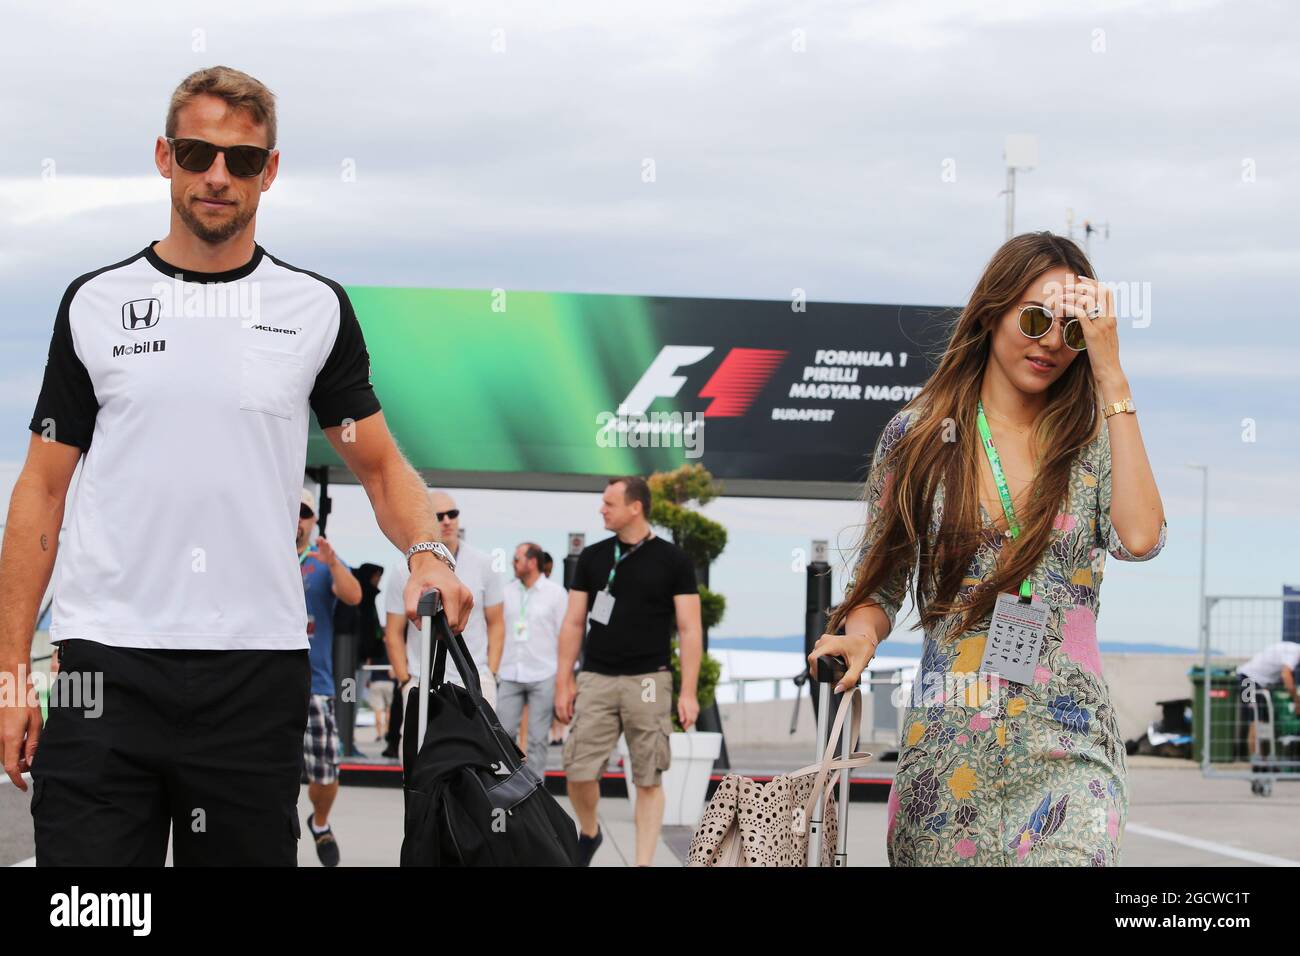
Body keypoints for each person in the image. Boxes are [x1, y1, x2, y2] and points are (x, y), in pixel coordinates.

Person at [0, 65, 472, 866]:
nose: (218, 175)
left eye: (243, 159)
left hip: (255, 674)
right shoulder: (94, 303)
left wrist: (428, 552)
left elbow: (381, 467)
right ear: (165, 157)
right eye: (197, 153)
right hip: (102, 666)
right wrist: (13, 673)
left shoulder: (314, 308)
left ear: (270, 171)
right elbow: (41, 491)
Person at [809, 232, 1167, 867]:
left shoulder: (1093, 441)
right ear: (991, 314)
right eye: (1034, 320)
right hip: (950, 750)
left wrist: (1112, 373)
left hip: (1071, 745)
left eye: (1073, 330)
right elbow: (882, 584)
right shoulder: (919, 436)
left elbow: (1140, 539)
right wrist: (859, 636)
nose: (1051, 343)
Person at [555, 476, 703, 867]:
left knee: (648, 777)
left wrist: (688, 692)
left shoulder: (674, 560)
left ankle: (642, 863)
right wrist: (564, 681)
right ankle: (590, 832)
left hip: (650, 680)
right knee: (578, 770)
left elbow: (690, 629)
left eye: (609, 503)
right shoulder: (592, 557)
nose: (601, 509)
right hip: (596, 677)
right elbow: (573, 622)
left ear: (635, 507)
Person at [384, 492, 504, 720]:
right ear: (426, 521)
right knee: (418, 744)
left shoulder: (484, 564)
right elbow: (393, 632)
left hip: (475, 679)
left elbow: (496, 623)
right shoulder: (402, 570)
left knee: (483, 744)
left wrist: (491, 673)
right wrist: (405, 681)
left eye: (452, 514)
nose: (447, 520)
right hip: (421, 680)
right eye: (439, 516)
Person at [297, 488, 361, 866]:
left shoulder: (322, 561)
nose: (297, 519)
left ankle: (320, 822)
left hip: (315, 685)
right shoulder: (266, 555)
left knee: (324, 773)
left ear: (314, 521)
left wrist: (334, 563)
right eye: (291, 509)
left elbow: (353, 596)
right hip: (262, 683)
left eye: (304, 512)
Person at [497, 543, 568, 777]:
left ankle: (536, 790)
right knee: (503, 733)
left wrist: (565, 679)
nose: (513, 563)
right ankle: (508, 785)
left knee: (538, 739)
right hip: (510, 672)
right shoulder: (506, 592)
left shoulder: (556, 594)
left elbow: (565, 636)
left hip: (544, 674)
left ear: (532, 562)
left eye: (517, 559)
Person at [1236, 641, 1300, 760]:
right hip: (1247, 681)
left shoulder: (1291, 648)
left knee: (1263, 722)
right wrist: (1297, 700)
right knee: (1255, 720)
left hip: (1259, 683)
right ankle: (1256, 762)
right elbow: (1286, 676)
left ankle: (1263, 760)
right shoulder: (1294, 653)